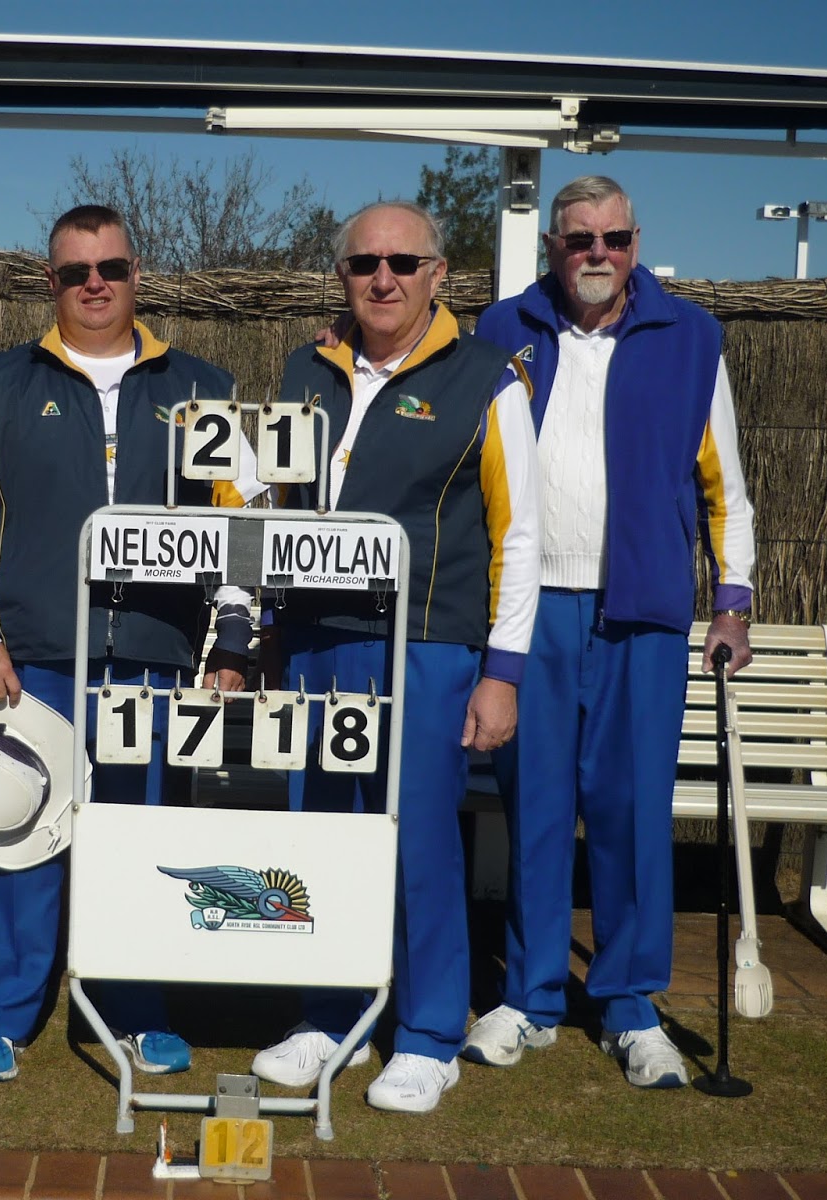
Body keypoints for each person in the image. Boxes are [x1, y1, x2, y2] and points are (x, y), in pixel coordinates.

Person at [0, 204, 265, 1083]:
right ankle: (2, 1016)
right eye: (76, 272)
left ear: (137, 273)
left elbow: (247, 520)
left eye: (110, 267)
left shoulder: (202, 388)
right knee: (24, 836)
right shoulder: (0, 383)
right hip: (35, 662)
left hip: (155, 659)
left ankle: (137, 1011)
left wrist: (232, 636)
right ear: (52, 282)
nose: (95, 284)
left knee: (141, 841)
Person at [465, 175, 756, 1089]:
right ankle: (531, 998)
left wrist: (732, 601)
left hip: (642, 610)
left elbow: (725, 483)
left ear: (637, 243)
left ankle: (630, 1005)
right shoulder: (500, 330)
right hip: (530, 608)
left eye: (615, 238)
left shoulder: (691, 337)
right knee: (536, 808)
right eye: (580, 238)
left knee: (630, 811)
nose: (598, 252)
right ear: (553, 246)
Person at [250, 200, 541, 1113]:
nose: (383, 278)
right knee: (322, 834)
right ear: (341, 274)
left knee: (417, 843)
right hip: (312, 642)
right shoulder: (304, 367)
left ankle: (428, 1035)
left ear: (438, 275)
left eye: (403, 263)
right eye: (364, 263)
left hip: (424, 646)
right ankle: (328, 1018)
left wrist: (503, 673)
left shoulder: (488, 378)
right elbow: (267, 500)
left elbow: (520, 537)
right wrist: (256, 625)